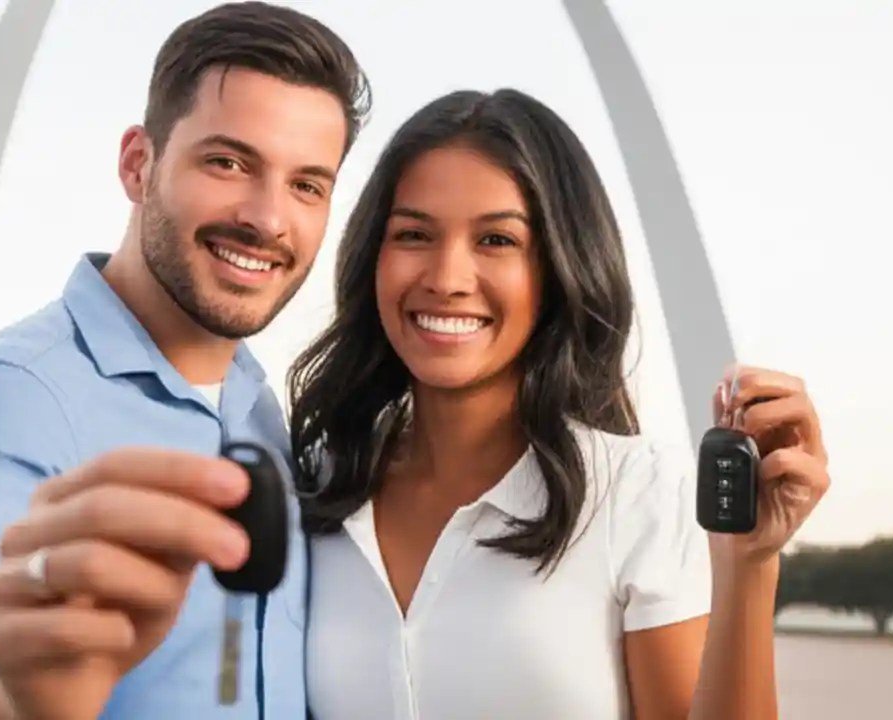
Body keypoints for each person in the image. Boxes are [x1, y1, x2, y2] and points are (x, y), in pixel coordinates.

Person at [0, 3, 370, 719]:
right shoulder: (16, 400)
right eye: (228, 162)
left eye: (307, 185)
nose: (268, 218)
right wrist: (14, 705)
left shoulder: (258, 410)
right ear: (139, 164)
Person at [288, 89, 830, 719]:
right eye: (413, 233)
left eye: (495, 240)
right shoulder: (311, 488)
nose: (446, 277)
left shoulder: (638, 494)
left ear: (561, 266)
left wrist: (749, 566)